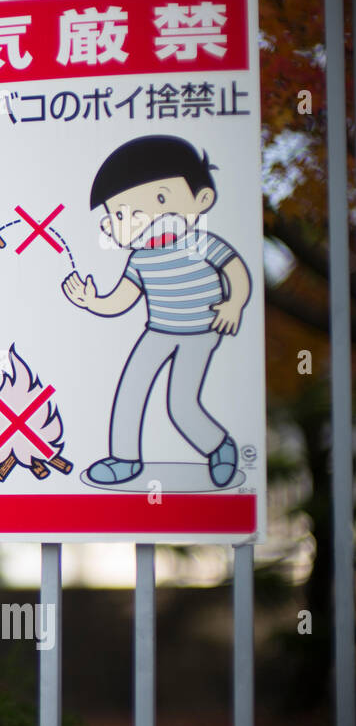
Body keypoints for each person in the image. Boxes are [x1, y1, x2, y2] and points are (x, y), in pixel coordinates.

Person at [61, 134, 250, 488]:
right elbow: (121, 300)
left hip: (200, 333)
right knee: (131, 389)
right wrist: (91, 301)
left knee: (180, 404)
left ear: (202, 199)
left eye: (160, 198)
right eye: (121, 213)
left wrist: (234, 303)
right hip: (158, 330)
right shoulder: (140, 258)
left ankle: (218, 446)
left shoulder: (200, 242)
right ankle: (124, 459)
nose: (141, 217)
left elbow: (235, 269)